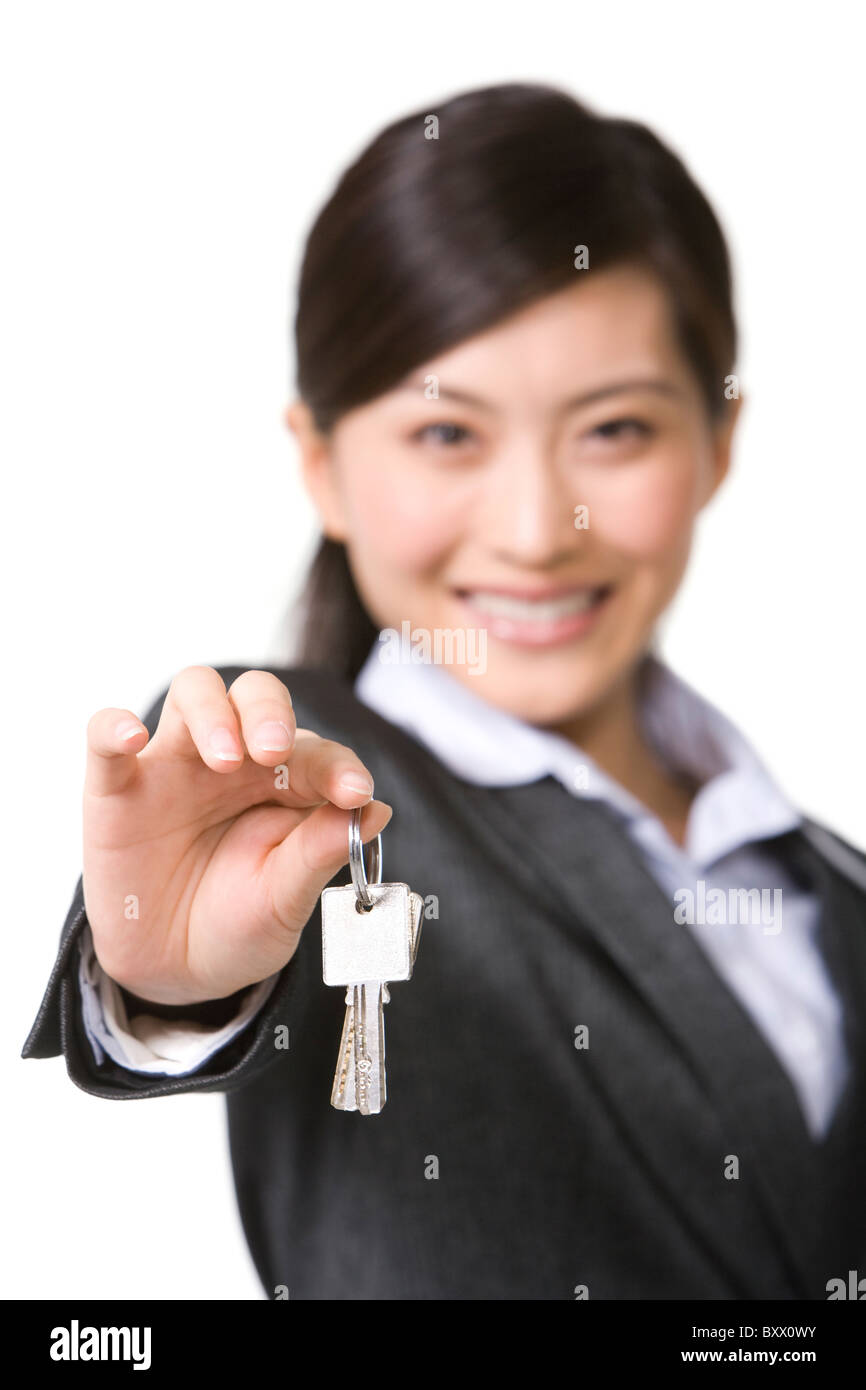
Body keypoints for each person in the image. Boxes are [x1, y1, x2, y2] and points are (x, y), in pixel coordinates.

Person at [22, 82, 866, 1301]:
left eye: (615, 429)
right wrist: (169, 983)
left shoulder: (828, 878)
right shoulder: (287, 780)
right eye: (445, 434)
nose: (532, 531)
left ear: (715, 445)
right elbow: (194, 963)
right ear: (321, 463)